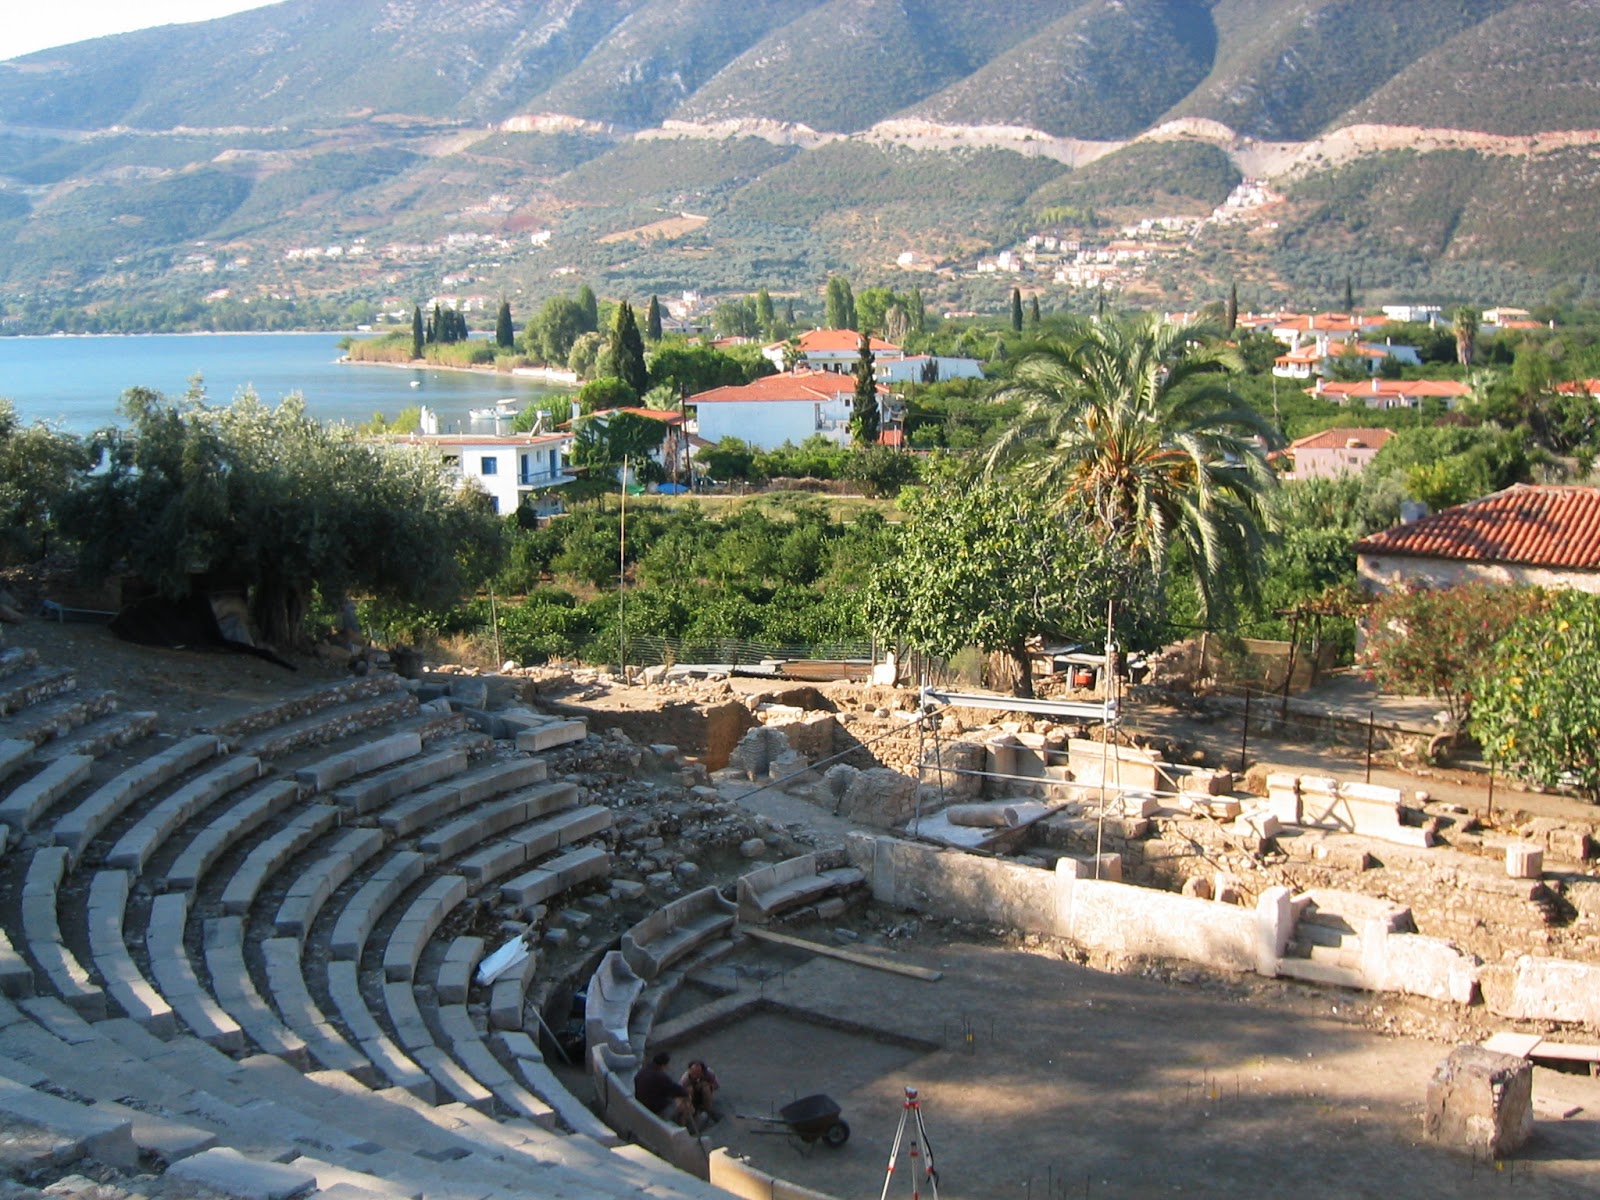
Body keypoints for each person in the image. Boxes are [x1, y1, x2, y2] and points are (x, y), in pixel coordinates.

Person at [633, 1051, 690, 1125]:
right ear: (663, 1065)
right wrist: (686, 1092)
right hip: (654, 1108)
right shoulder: (660, 1077)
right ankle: (681, 1124)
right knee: (678, 1103)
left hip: (641, 1104)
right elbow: (676, 1089)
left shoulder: (642, 1072)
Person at [680, 1059, 720, 1124]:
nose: (696, 1075)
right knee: (689, 1090)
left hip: (704, 1092)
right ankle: (691, 1112)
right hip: (691, 1096)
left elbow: (716, 1085)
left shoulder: (709, 1073)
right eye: (693, 1072)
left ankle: (708, 1109)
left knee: (705, 1088)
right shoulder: (685, 1079)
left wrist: (706, 1084)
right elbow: (680, 1093)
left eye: (698, 1072)